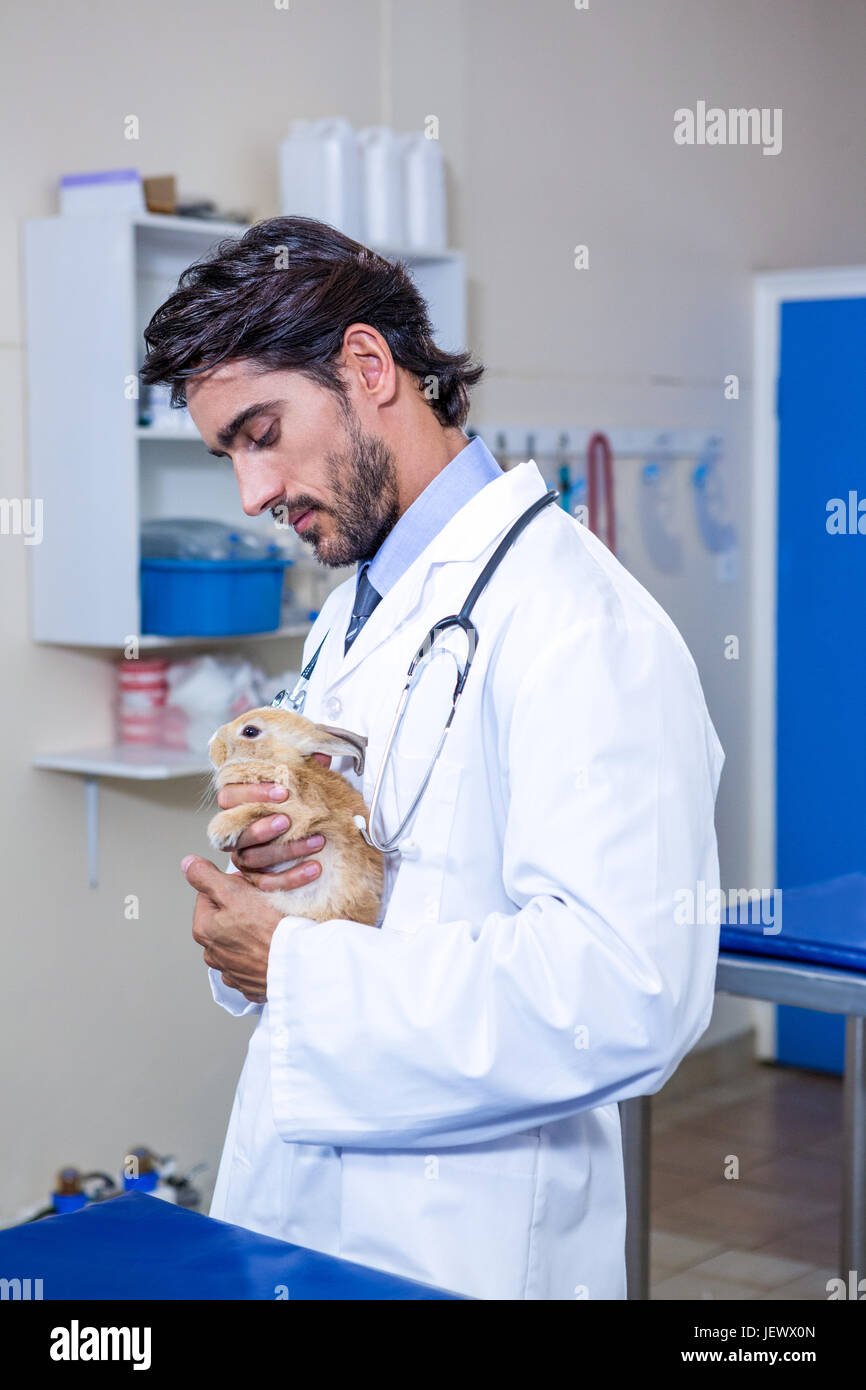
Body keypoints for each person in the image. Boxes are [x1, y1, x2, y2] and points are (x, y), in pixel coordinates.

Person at [140, 216, 724, 1301]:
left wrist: (295, 967)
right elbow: (409, 869)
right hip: (306, 1211)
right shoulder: (354, 611)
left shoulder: (578, 621)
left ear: (368, 367)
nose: (251, 494)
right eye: (229, 452)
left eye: (262, 431)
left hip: (472, 1239)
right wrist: (285, 889)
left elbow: (627, 989)